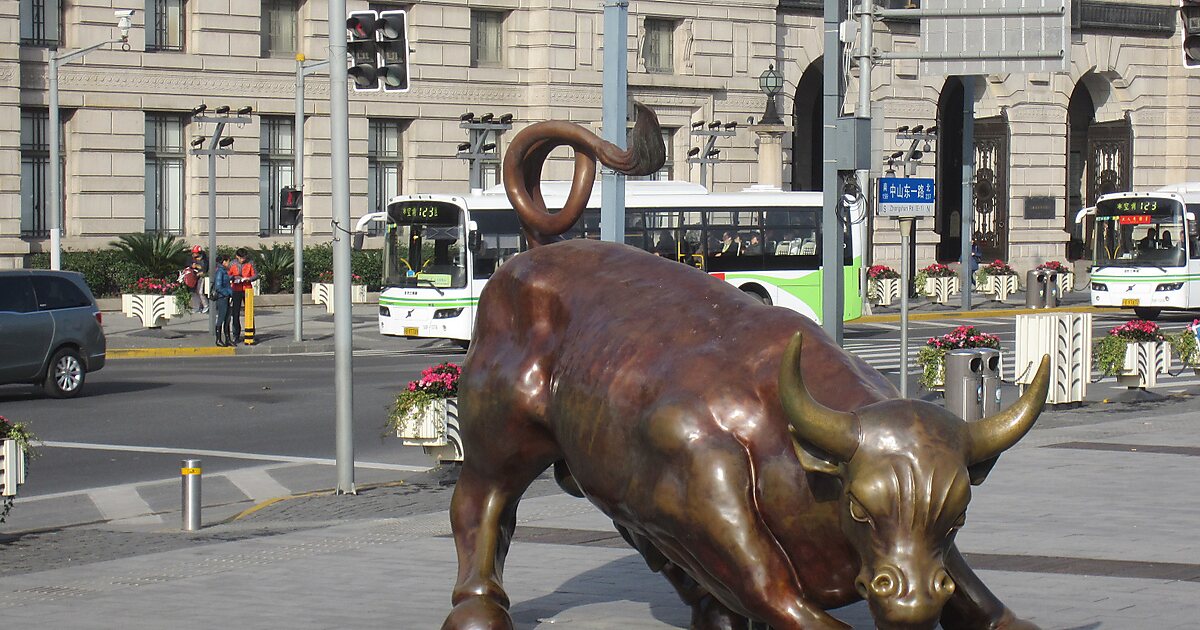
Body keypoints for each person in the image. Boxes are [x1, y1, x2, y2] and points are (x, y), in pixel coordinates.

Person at [227, 248, 258, 344]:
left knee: (249, 312)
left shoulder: (250, 263)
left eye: (244, 258)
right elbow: (227, 275)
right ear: (237, 257)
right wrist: (234, 278)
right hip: (236, 289)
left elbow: (256, 275)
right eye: (241, 258)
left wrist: (249, 279)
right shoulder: (232, 264)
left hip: (247, 289)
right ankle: (236, 334)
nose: (243, 260)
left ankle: (251, 333)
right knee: (235, 313)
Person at [212, 254, 234, 347]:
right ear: (224, 262)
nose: (229, 263)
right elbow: (218, 286)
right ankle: (218, 339)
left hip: (226, 297)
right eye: (228, 261)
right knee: (221, 318)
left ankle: (228, 339)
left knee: (227, 318)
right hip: (222, 298)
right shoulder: (220, 272)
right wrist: (228, 292)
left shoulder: (223, 271)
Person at [189, 246, 209, 314]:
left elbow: (205, 270)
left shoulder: (205, 260)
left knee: (200, 292)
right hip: (194, 277)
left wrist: (200, 271)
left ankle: (206, 305)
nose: (193, 255)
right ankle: (197, 307)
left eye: (195, 253)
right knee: (194, 292)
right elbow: (189, 265)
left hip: (201, 277)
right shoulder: (193, 259)